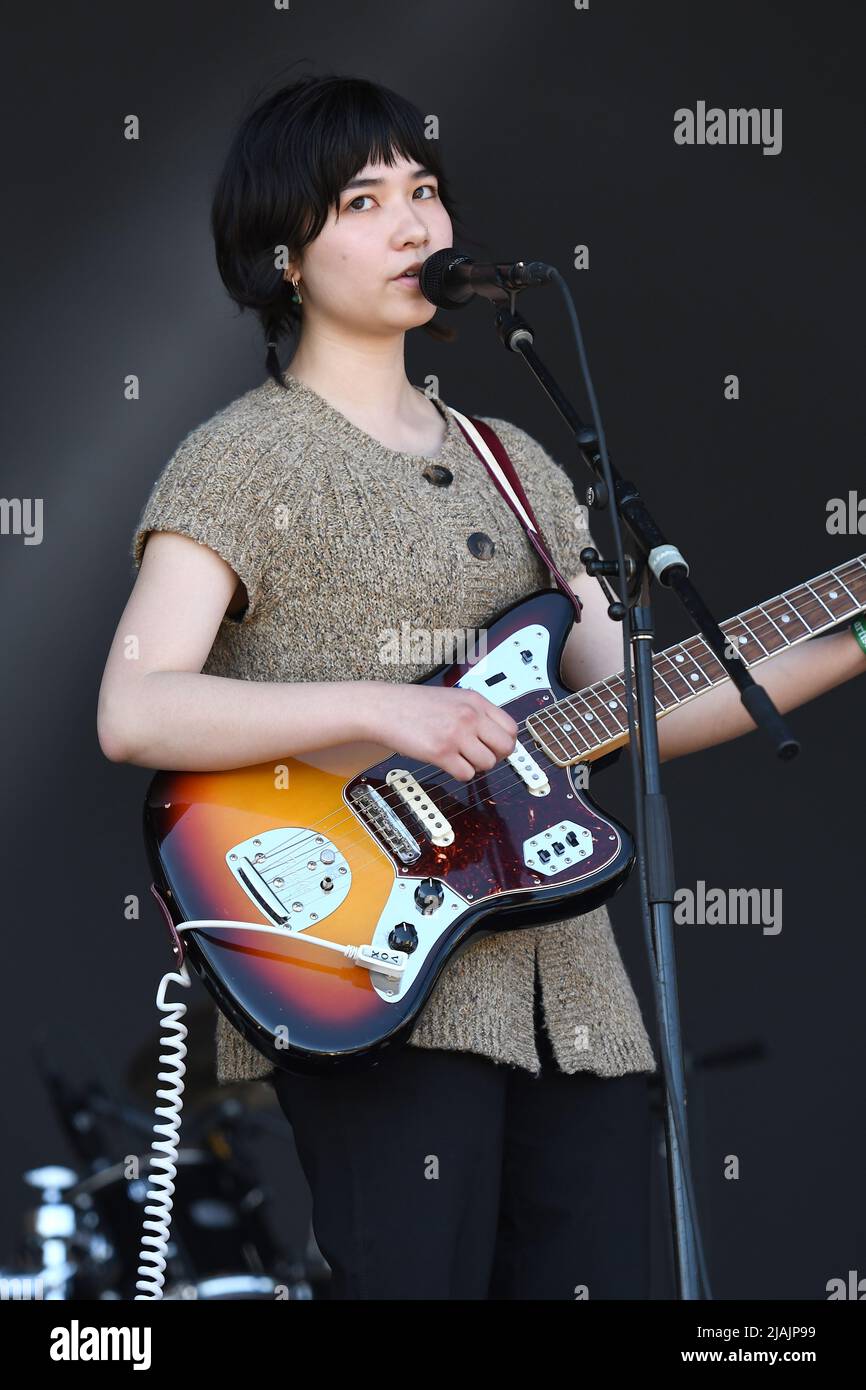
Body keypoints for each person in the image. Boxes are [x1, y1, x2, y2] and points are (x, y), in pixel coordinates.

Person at [97, 72, 866, 1300]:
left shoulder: (514, 462)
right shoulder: (241, 459)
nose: (414, 224)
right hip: (370, 968)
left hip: (576, 998)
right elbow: (136, 709)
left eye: (424, 190)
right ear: (281, 255)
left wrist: (852, 637)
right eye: (362, 200)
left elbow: (640, 704)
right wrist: (381, 707)